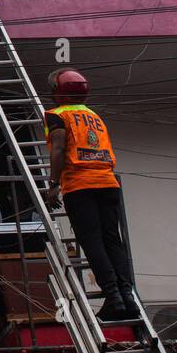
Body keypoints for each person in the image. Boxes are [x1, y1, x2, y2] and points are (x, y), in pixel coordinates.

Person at [43, 67, 140, 322]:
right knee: (112, 240)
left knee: (92, 241)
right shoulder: (95, 116)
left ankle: (113, 297)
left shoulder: (56, 116)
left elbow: (59, 149)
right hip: (108, 183)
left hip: (80, 186)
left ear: (58, 93)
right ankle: (126, 296)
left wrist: (53, 184)